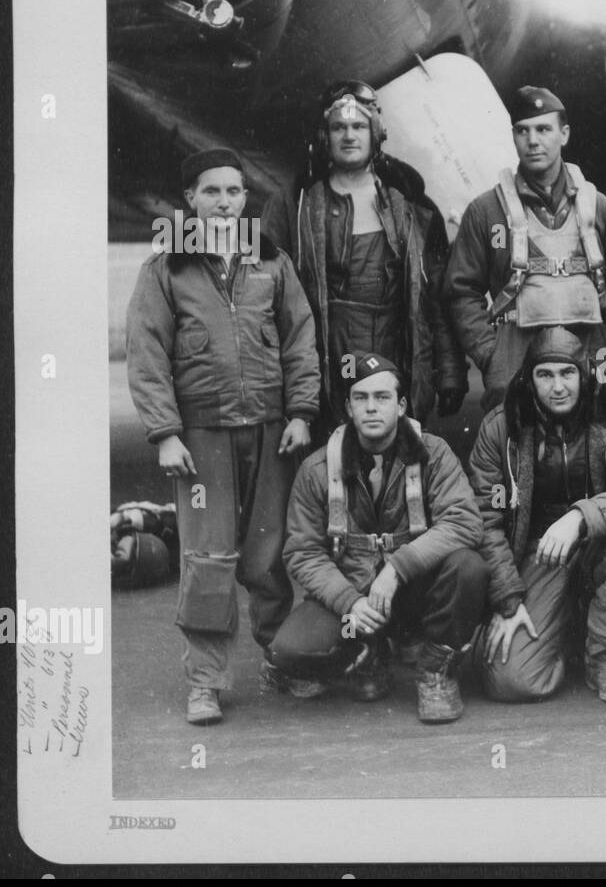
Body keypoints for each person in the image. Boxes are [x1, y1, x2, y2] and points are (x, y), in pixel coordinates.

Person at [126, 147, 321, 725]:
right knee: (209, 557)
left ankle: (282, 658)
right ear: (189, 199)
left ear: (245, 198)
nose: (224, 203)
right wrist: (164, 432)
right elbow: (147, 354)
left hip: (268, 429)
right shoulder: (167, 268)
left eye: (234, 192)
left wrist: (302, 412)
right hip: (202, 437)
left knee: (269, 555)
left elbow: (299, 340)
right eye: (211, 192)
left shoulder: (272, 261)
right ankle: (205, 682)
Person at [270, 353, 488, 723]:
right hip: (354, 600)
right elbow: (303, 551)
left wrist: (397, 568)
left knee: (468, 568)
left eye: (382, 397)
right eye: (361, 398)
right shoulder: (317, 469)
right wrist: (349, 602)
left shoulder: (433, 454)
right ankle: (368, 652)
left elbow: (464, 522)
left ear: (401, 405)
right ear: (348, 407)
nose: (372, 408)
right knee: (291, 651)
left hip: (413, 595)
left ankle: (435, 669)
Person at [467, 326, 606, 705]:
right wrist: (507, 599)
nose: (557, 387)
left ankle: (604, 654)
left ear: (585, 373)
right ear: (530, 379)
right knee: (514, 681)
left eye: (567, 373)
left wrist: (580, 516)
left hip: (603, 544)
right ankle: (564, 634)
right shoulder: (501, 427)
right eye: (545, 375)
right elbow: (484, 518)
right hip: (538, 557)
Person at [260, 79, 467, 430]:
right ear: (325, 136)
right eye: (338, 127)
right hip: (324, 354)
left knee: (396, 460)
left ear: (376, 134)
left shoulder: (411, 207)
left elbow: (435, 297)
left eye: (358, 126)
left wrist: (449, 369)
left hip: (395, 349)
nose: (349, 136)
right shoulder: (294, 206)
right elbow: (264, 294)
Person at [444, 86, 606, 411]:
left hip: (589, 347)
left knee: (597, 447)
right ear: (513, 136)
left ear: (564, 134)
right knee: (515, 451)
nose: (533, 140)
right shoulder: (486, 211)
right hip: (515, 349)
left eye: (543, 129)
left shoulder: (599, 208)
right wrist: (491, 353)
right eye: (522, 131)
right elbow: (461, 292)